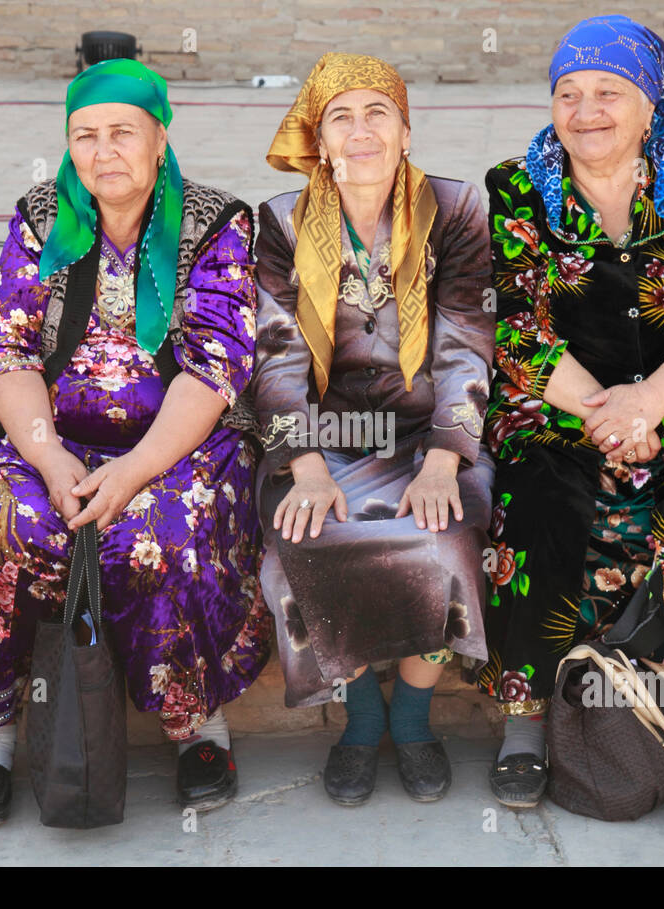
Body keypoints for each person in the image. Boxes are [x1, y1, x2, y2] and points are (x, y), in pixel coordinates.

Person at [0, 58, 269, 824]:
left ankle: (193, 719)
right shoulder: (41, 215)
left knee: (164, 531)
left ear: (160, 137)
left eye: (123, 131)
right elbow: (7, 347)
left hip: (181, 443)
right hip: (52, 437)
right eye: (84, 134)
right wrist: (48, 455)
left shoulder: (215, 222)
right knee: (6, 522)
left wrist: (135, 469)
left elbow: (216, 363)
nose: (103, 151)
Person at [476, 15, 664, 835]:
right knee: (537, 498)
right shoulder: (517, 187)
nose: (586, 111)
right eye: (568, 93)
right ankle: (525, 723)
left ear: (649, 107)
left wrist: (654, 400)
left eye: (609, 92)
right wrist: (611, 412)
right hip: (564, 406)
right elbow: (513, 320)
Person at [253, 53, 495, 806]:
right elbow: (276, 352)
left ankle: (413, 720)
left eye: (377, 113)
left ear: (406, 130)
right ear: (319, 139)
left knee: (449, 540)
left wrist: (445, 458)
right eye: (341, 118)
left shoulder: (455, 208)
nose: (361, 132)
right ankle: (362, 720)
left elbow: (465, 340)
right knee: (299, 546)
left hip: (428, 435)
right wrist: (305, 464)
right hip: (318, 440)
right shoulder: (281, 221)